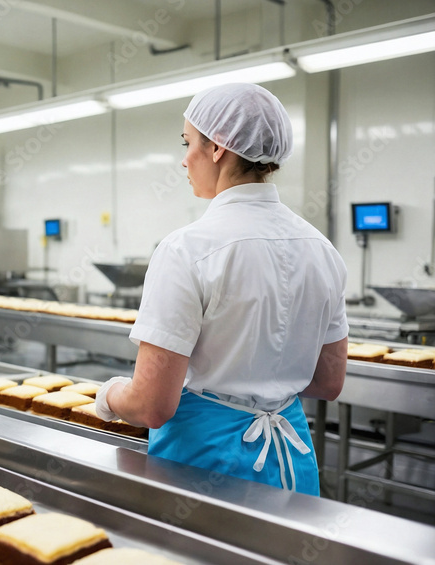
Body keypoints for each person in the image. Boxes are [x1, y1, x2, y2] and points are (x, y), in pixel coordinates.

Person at [94, 83, 348, 496]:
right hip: (291, 467)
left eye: (188, 142)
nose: (183, 159)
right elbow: (328, 381)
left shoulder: (186, 249)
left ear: (218, 149)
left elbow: (152, 406)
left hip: (204, 470)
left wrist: (109, 396)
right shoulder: (323, 250)